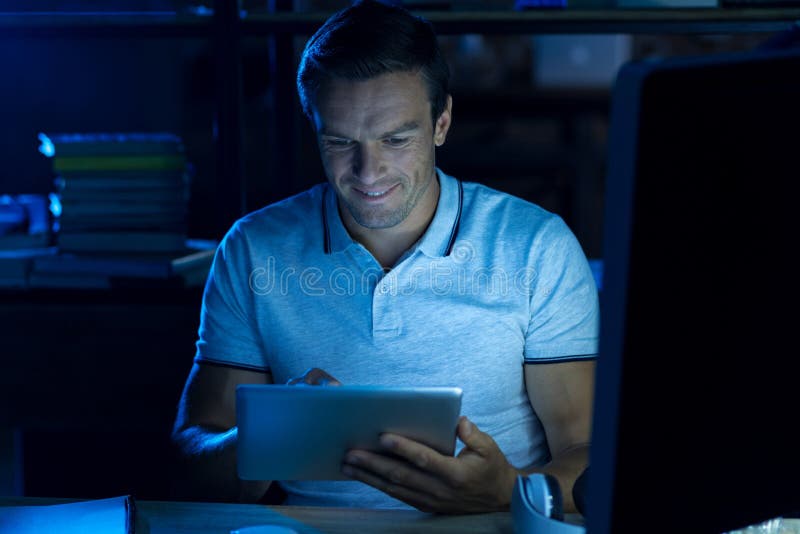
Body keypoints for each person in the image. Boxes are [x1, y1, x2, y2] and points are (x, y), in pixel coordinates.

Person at [171, 0, 598, 514]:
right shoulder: (253, 248)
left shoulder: (537, 247)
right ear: (314, 127)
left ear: (441, 123)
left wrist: (508, 492)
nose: (367, 171)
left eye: (396, 139)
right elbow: (191, 456)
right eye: (339, 141)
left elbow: (592, 457)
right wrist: (262, 434)